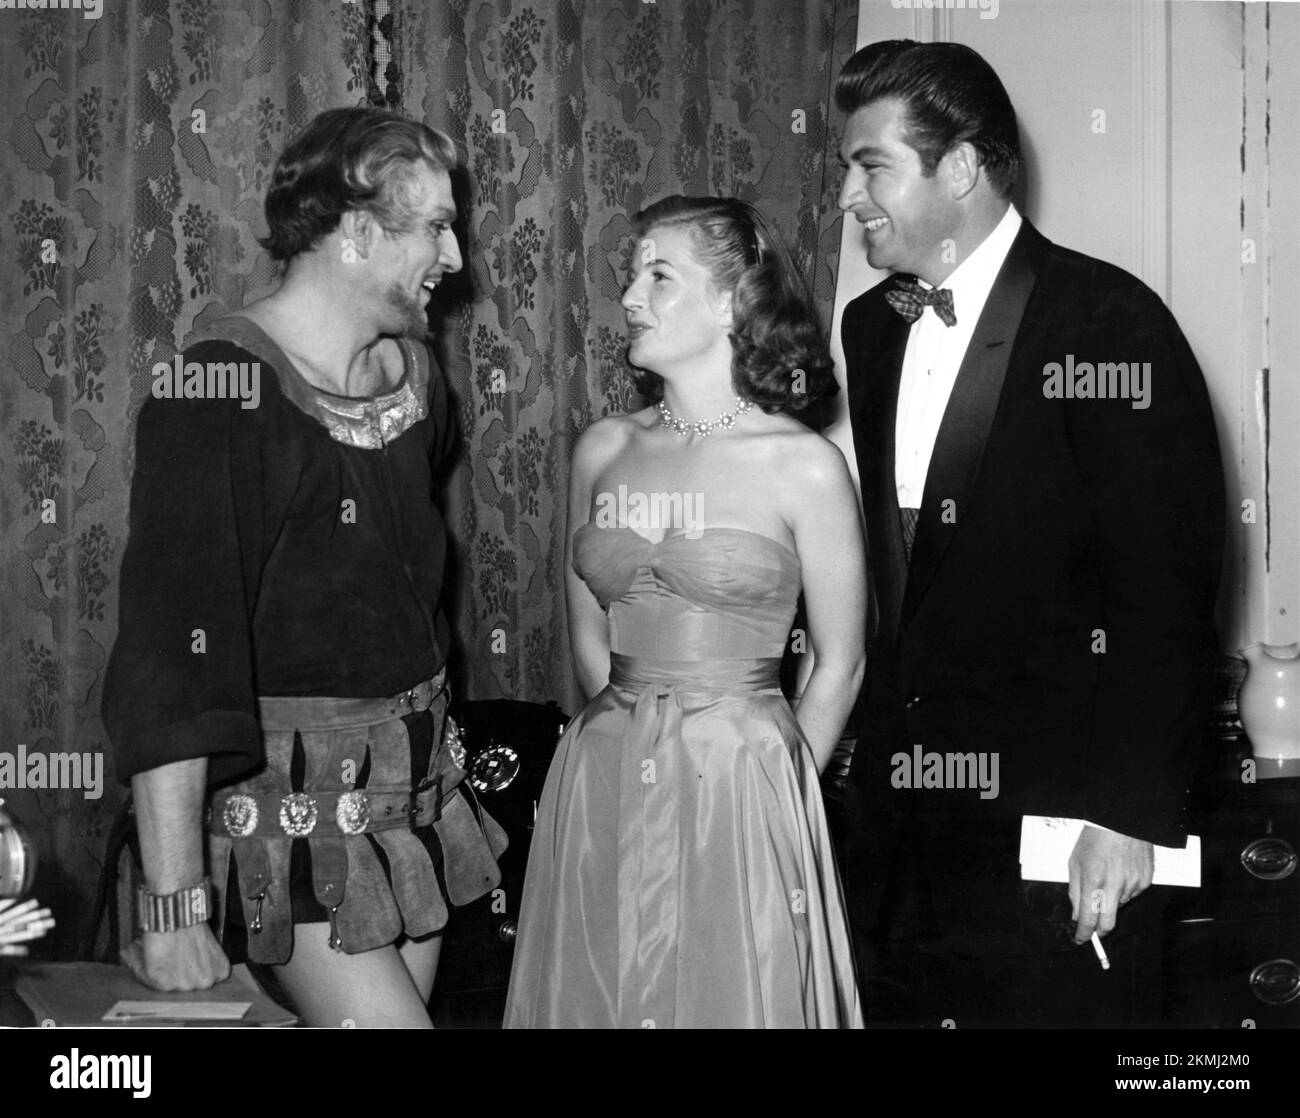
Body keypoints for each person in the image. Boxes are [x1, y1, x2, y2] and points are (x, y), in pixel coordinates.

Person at [832, 40, 1225, 1026]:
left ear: (959, 166)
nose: (847, 194)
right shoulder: (871, 326)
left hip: (1061, 828)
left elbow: (1162, 596)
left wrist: (1125, 815)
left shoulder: (1109, 322)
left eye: (868, 164)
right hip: (907, 836)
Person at [102, 107, 507, 1028]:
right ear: (358, 233)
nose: (455, 258)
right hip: (290, 817)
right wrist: (172, 907)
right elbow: (172, 660)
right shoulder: (216, 389)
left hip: (414, 796)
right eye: (436, 227)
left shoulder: (414, 371)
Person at [504, 196, 866, 1029]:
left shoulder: (803, 466)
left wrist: (774, 790)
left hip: (743, 782)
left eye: (659, 275)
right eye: (631, 275)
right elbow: (590, 642)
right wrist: (631, 747)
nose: (631, 296)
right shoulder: (604, 447)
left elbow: (840, 661)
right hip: (602, 774)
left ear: (736, 301)